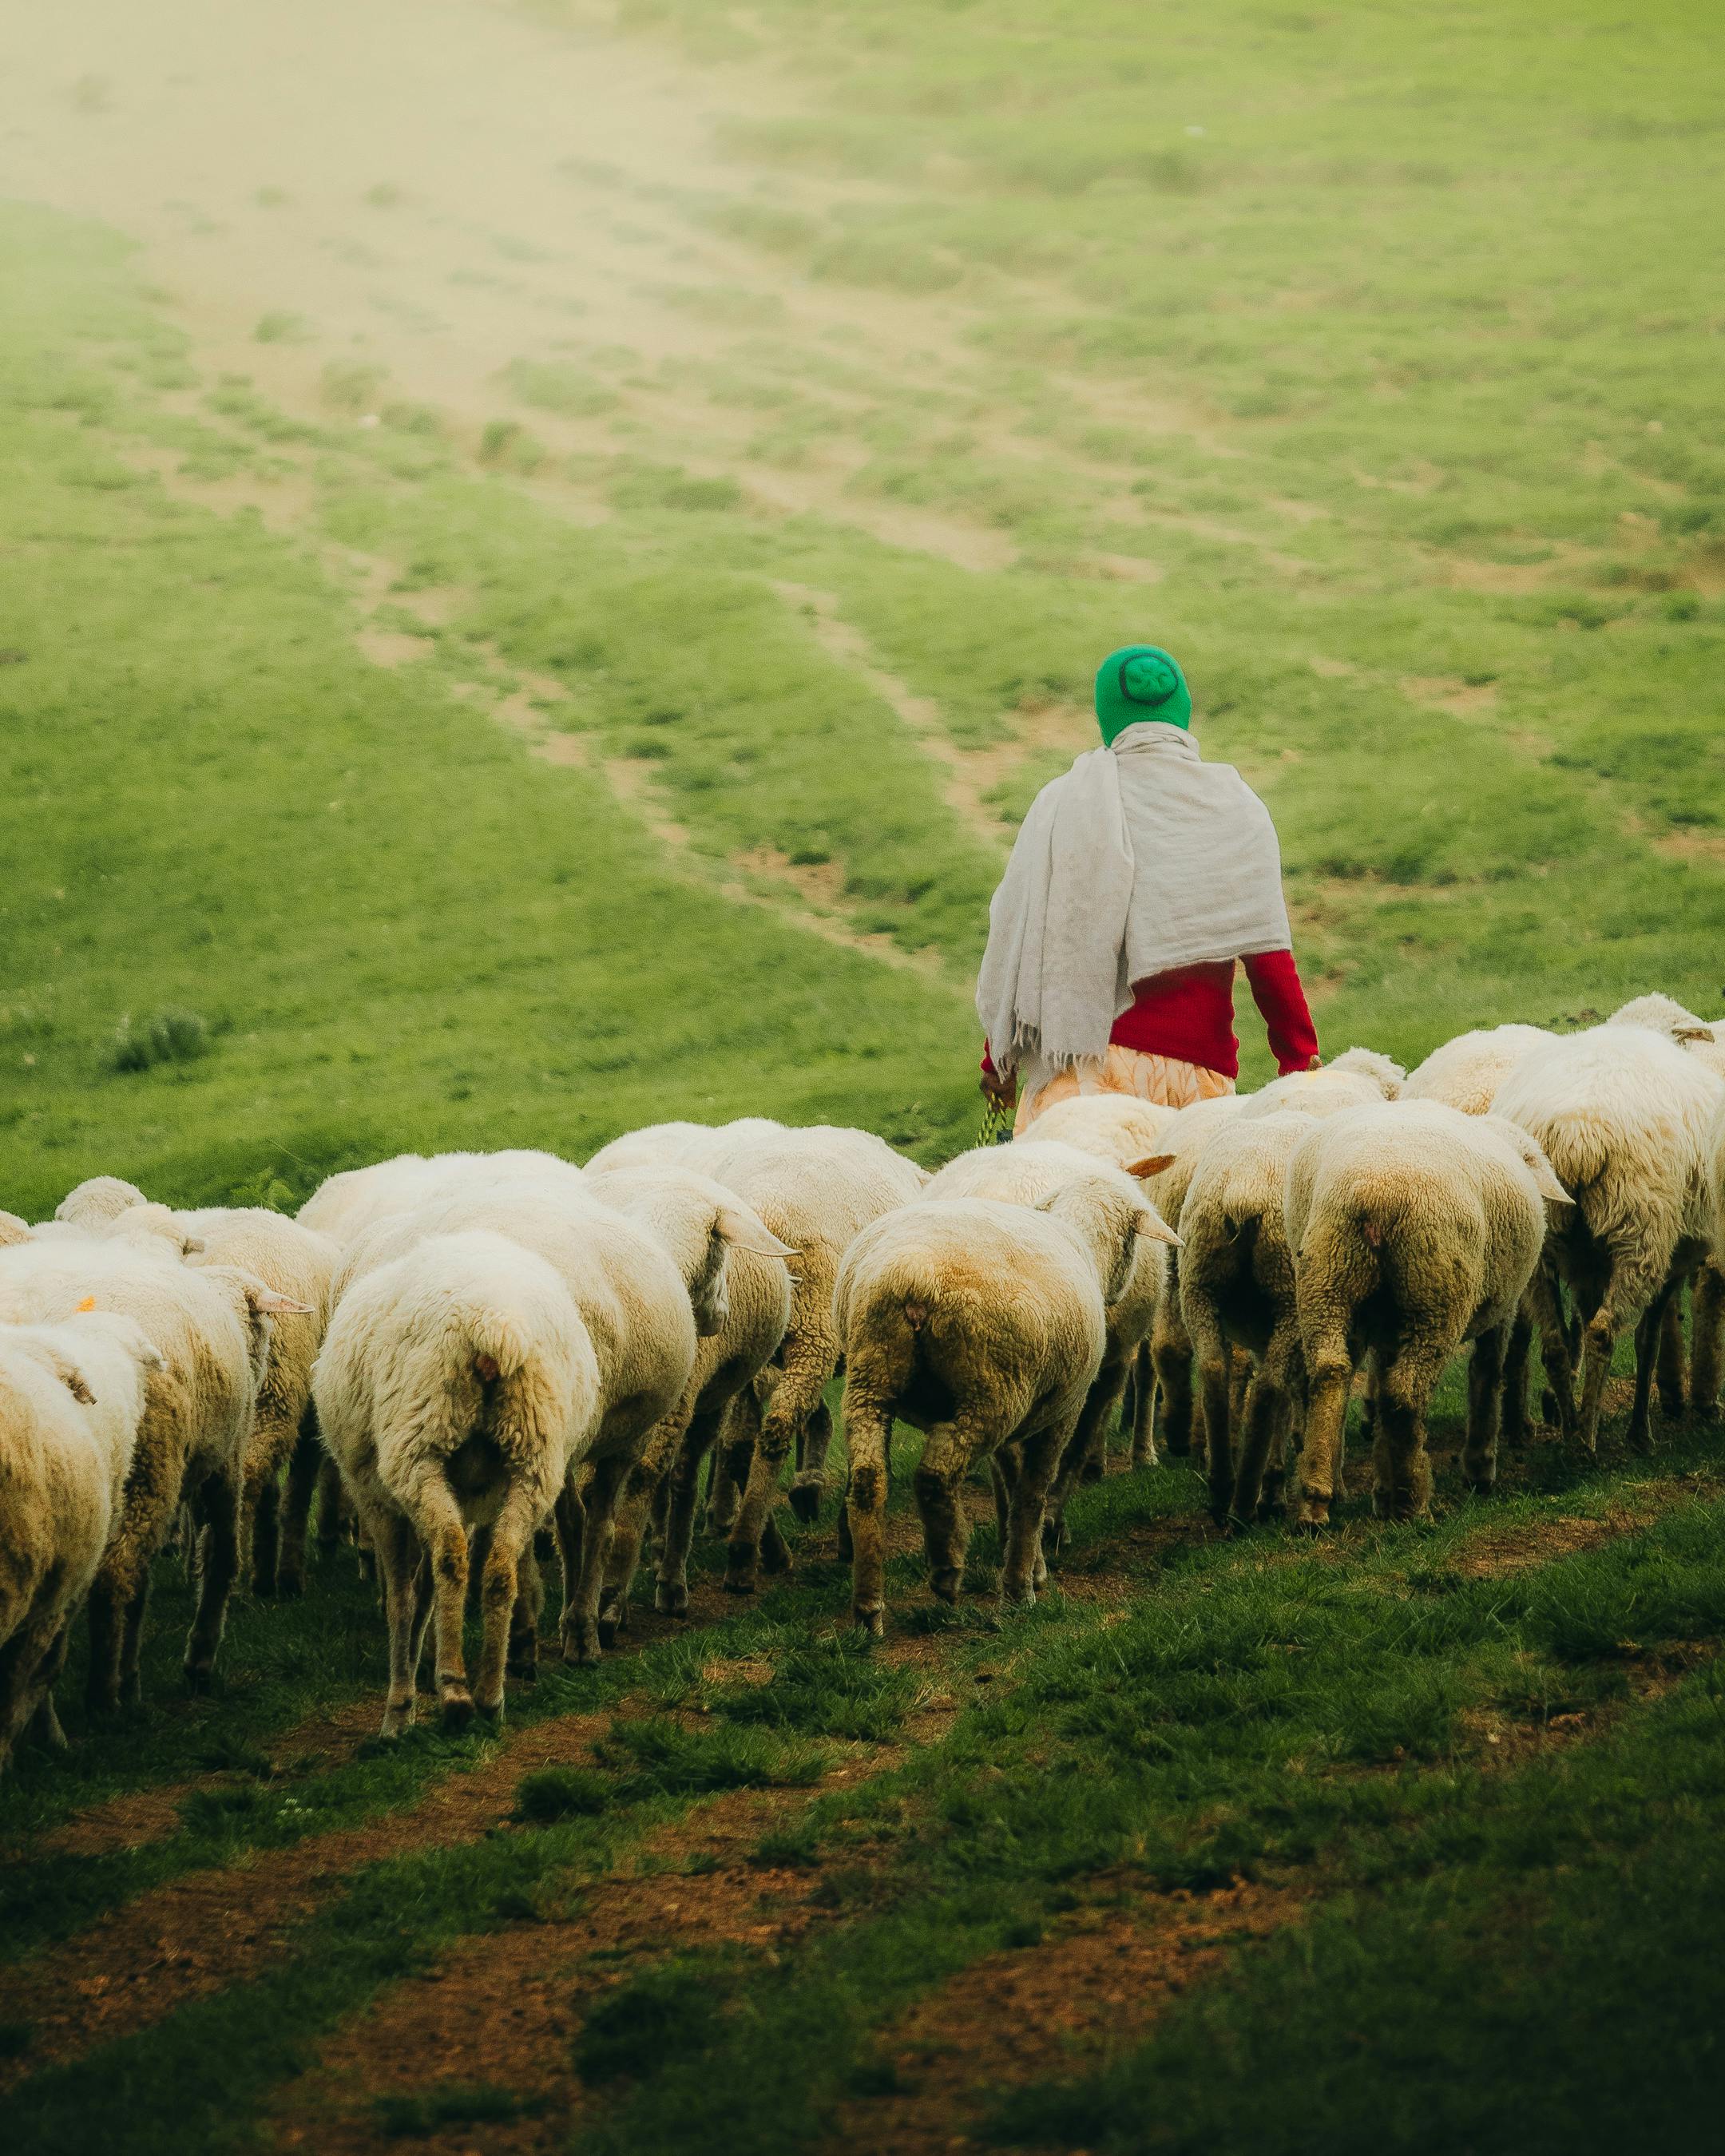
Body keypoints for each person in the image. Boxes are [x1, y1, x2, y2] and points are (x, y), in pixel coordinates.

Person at [977, 643, 1319, 1133]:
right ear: (1182, 713)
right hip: (1198, 1086)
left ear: (1107, 717)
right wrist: (1300, 1061)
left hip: (1084, 1075)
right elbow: (1268, 953)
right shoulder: (1234, 806)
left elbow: (1022, 939)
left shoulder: (1065, 803)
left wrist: (999, 1064)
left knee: (1065, 1205)